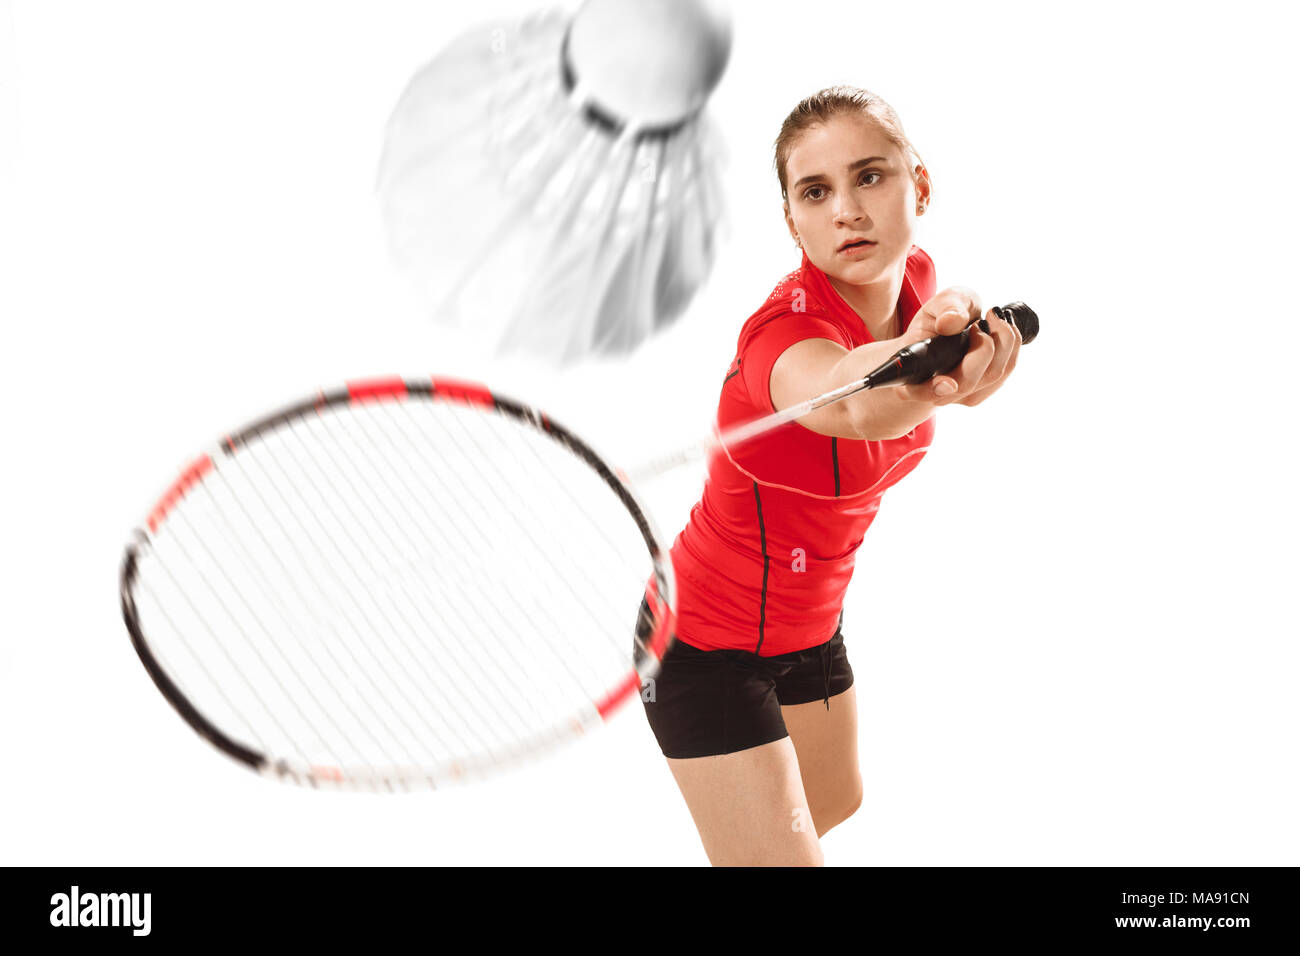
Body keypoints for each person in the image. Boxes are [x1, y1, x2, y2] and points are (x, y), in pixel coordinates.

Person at [634, 86, 1021, 866]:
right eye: (816, 192)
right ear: (791, 219)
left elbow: (936, 350)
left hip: (809, 627)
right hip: (704, 641)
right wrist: (920, 361)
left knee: (832, 801)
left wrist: (964, 338)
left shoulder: (915, 282)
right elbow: (854, 404)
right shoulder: (783, 336)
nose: (846, 210)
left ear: (920, 184)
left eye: (869, 177)